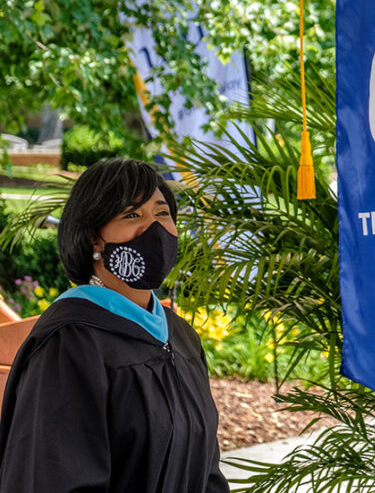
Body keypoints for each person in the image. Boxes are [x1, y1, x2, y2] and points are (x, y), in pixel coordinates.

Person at [0, 159, 228, 492]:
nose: (154, 229)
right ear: (94, 238)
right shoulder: (72, 342)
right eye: (132, 215)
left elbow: (206, 470)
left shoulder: (180, 336)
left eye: (162, 214)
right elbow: (53, 477)